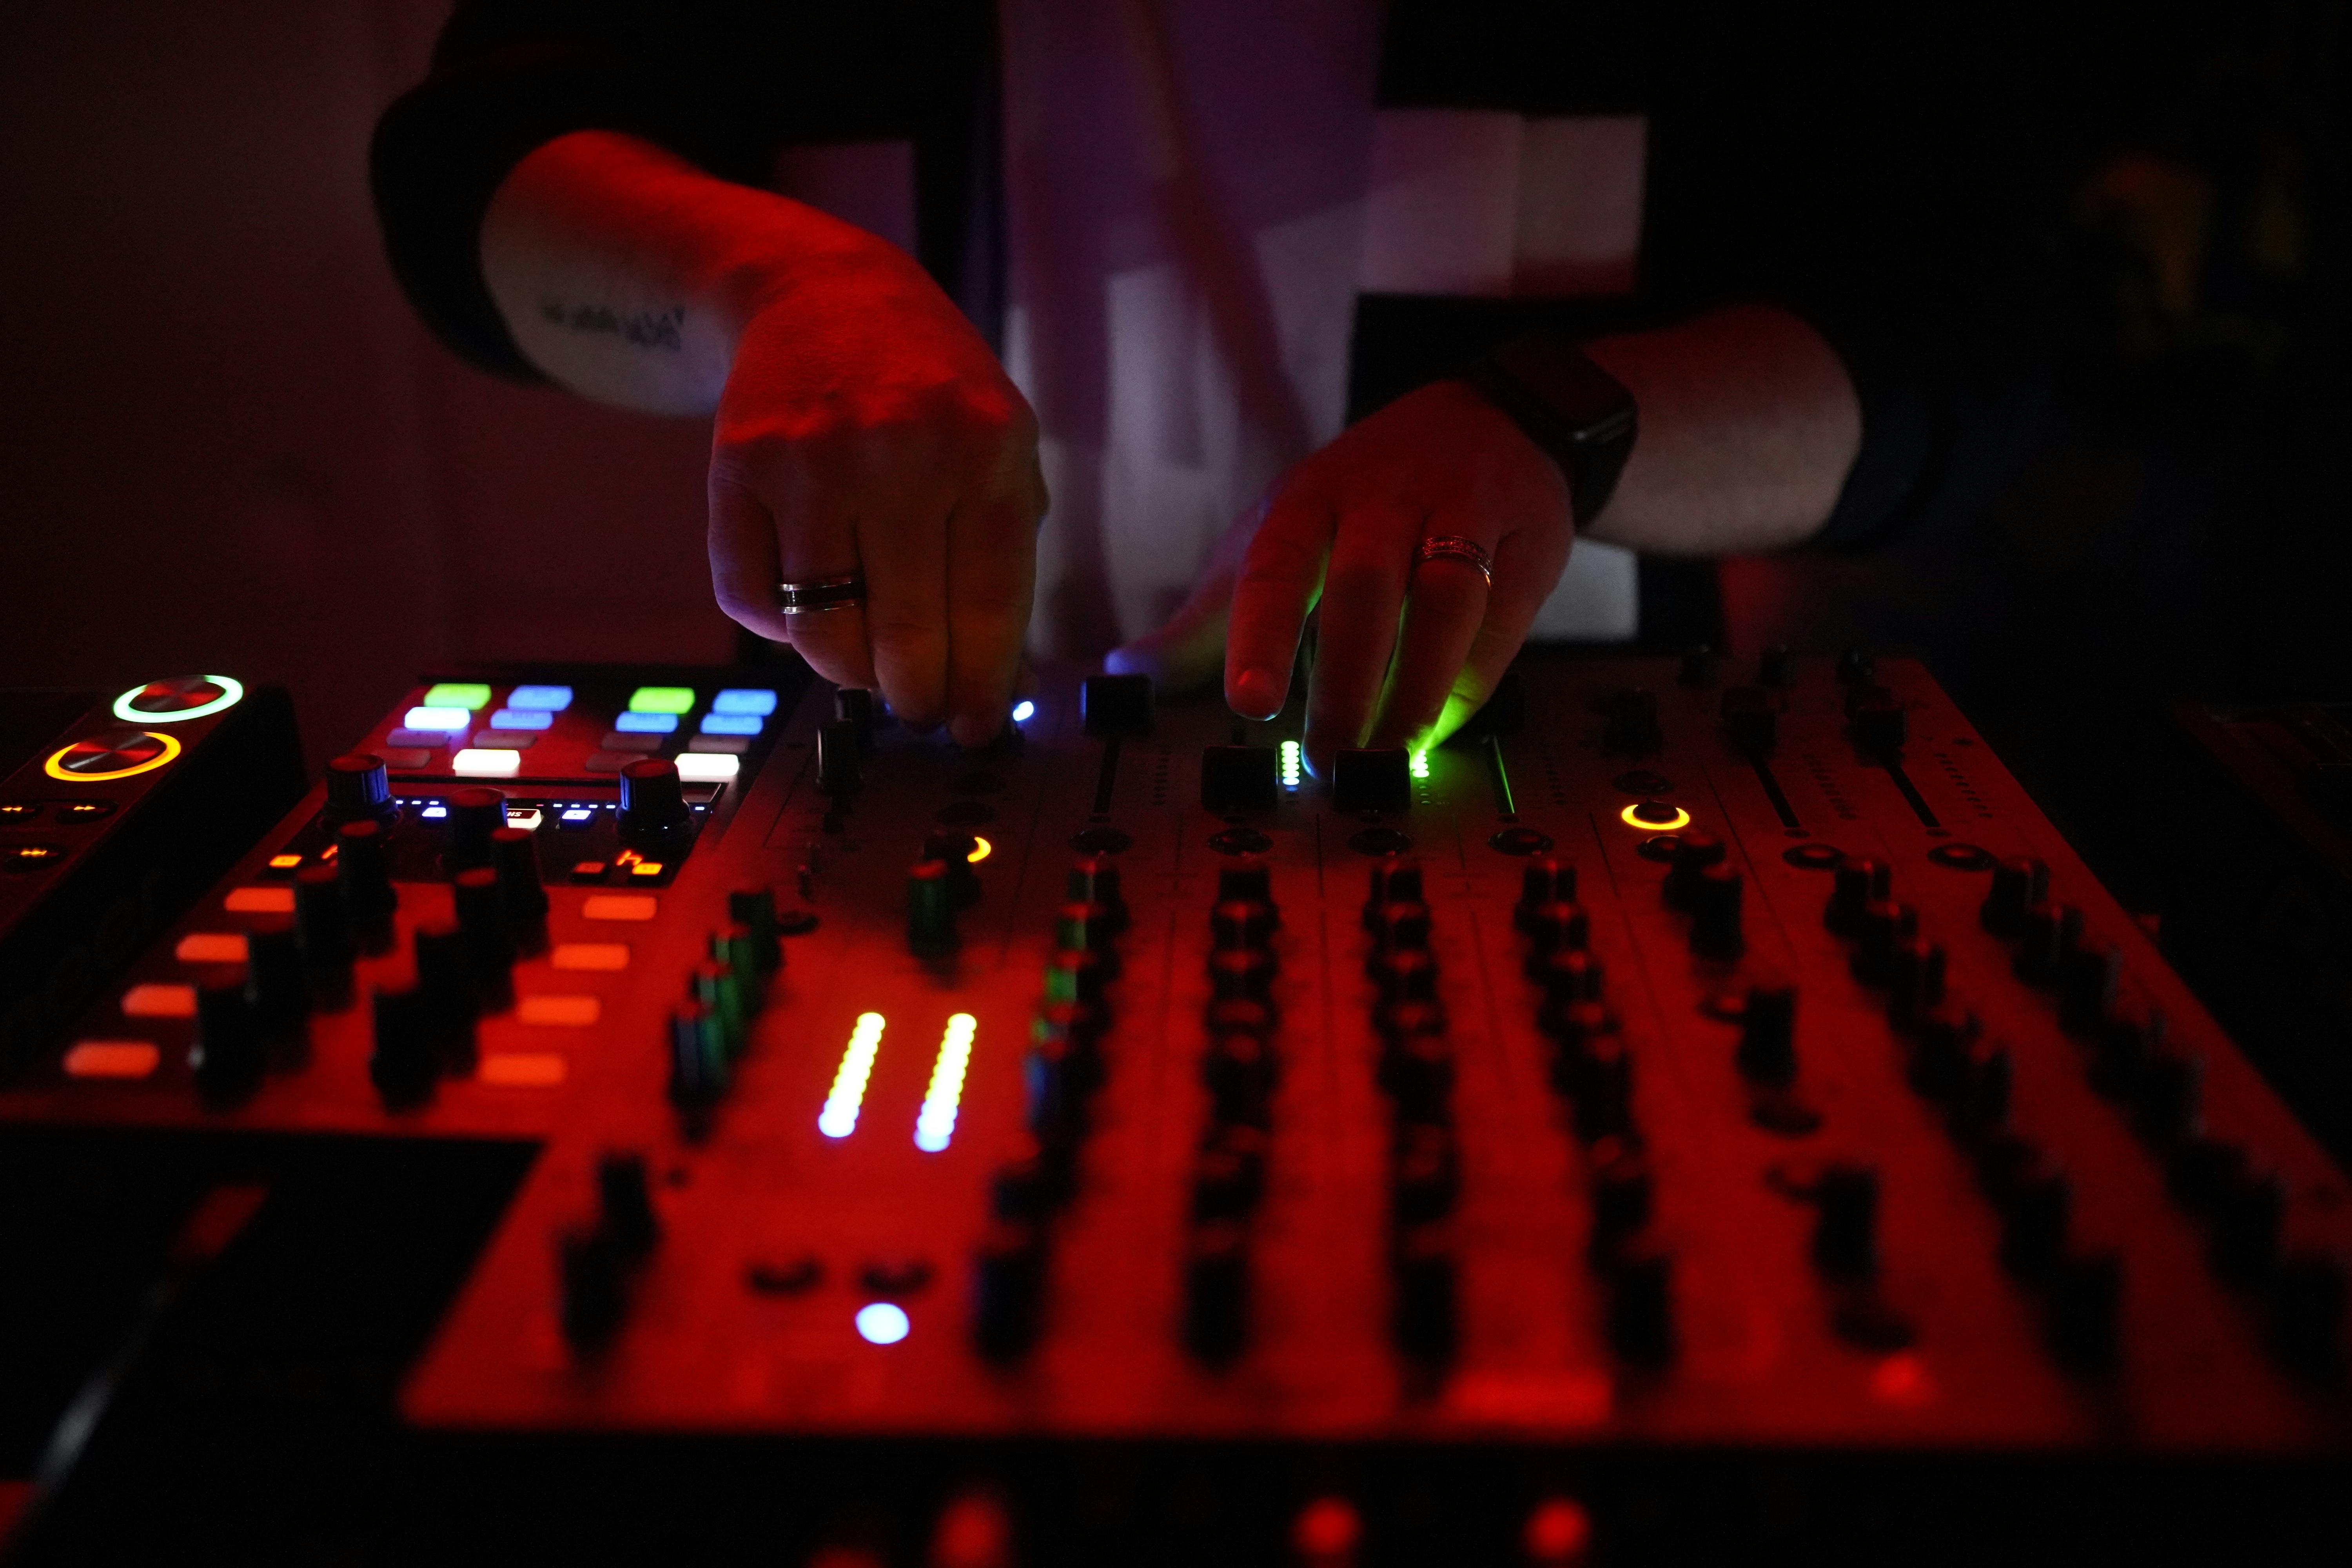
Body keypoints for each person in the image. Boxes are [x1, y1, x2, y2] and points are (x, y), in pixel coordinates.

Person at [374, 1, 2051, 772]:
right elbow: (465, 182)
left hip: (1516, 782)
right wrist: (776, 293)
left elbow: (1956, 351)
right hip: (884, 789)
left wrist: (1557, 424)